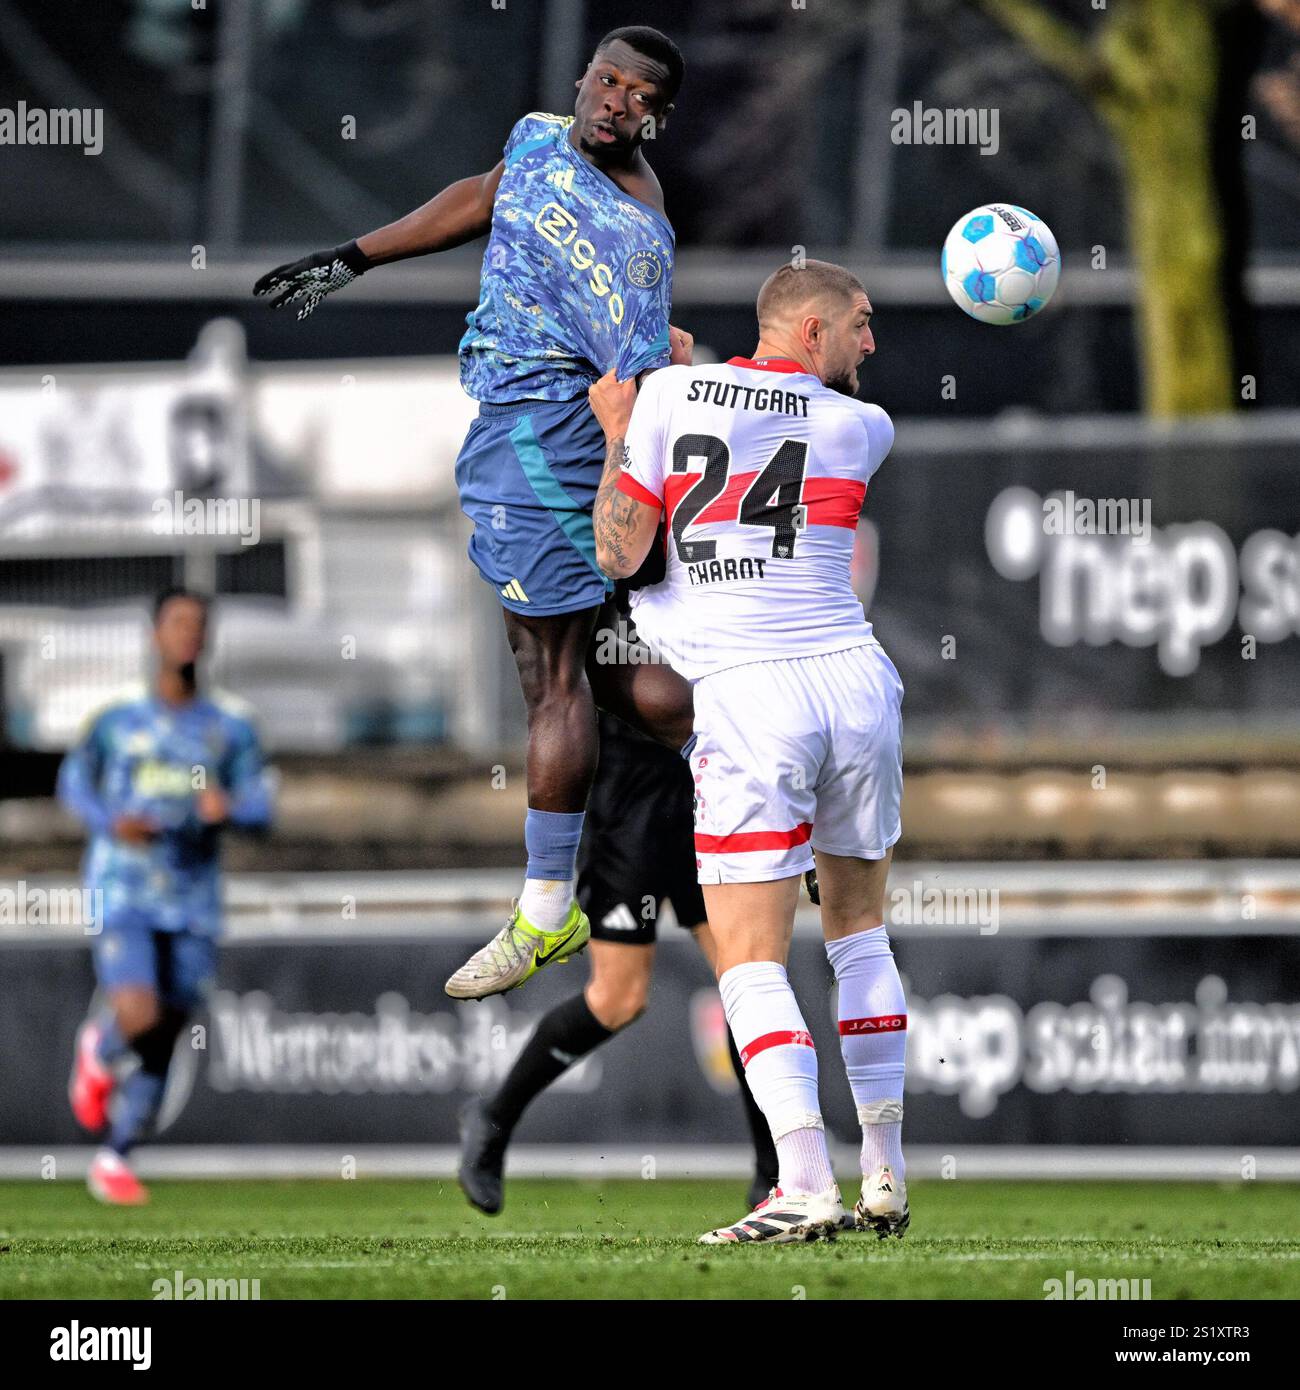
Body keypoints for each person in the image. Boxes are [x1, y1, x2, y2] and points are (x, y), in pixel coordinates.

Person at [253, 25, 696, 1002]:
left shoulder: (633, 233)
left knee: (552, 674)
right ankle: (748, 756)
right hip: (510, 428)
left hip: (551, 440)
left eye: (639, 94)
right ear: (584, 79)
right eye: (607, 79)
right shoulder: (541, 135)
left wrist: (637, 466)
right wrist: (353, 257)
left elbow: (637, 383)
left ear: (657, 117)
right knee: (610, 665)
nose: (615, 99)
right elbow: (484, 197)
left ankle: (546, 910)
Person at [586, 259, 909, 1244]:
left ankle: (804, 1182)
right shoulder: (867, 427)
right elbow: (772, 418)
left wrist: (624, 422)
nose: (871, 343)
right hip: (856, 681)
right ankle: (884, 1176)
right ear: (810, 333)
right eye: (858, 324)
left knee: (748, 954)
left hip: (749, 693)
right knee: (859, 933)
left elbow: (620, 550)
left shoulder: (667, 397)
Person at [458, 593, 779, 1216]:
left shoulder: (707, 566)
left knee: (751, 981)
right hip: (623, 814)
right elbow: (555, 689)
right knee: (619, 997)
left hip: (706, 799)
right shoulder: (592, 572)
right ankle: (491, 1122)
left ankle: (777, 1174)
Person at [61, 589, 273, 1204]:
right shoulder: (116, 718)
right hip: (123, 884)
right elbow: (72, 781)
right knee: (139, 1015)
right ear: (155, 634)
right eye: (177, 622)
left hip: (194, 897)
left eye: (199, 625)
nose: (188, 634)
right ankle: (98, 1050)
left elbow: (265, 805)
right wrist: (108, 820)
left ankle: (114, 1157)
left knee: (166, 1030)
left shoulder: (230, 725)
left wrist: (230, 807)